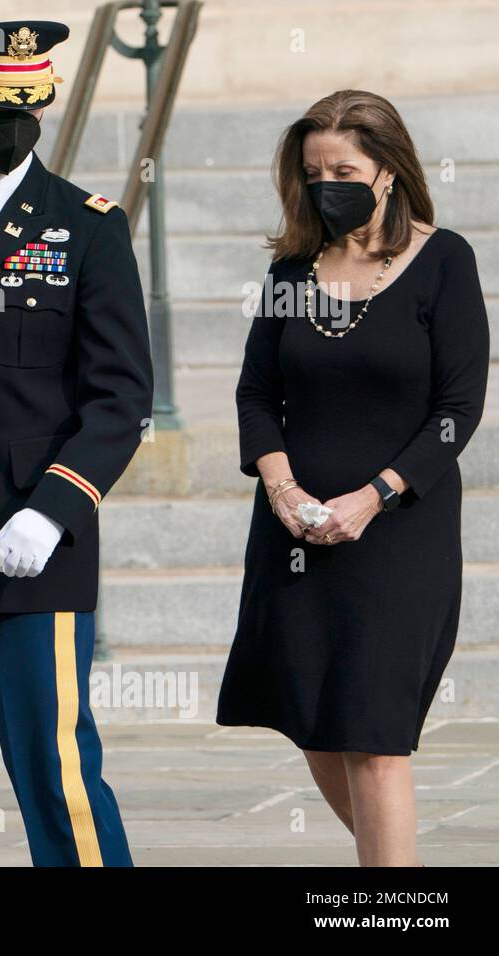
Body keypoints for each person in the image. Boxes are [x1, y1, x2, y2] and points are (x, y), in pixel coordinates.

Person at [219, 89, 489, 866]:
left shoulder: (446, 260)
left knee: (373, 735)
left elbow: (458, 408)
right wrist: (282, 490)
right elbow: (254, 395)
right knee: (315, 726)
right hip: (294, 534)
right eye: (312, 171)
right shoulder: (290, 269)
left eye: (344, 168)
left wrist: (376, 497)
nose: (326, 183)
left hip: (398, 535)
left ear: (390, 172)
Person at [0, 21, 153, 868]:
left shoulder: (88, 227)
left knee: (55, 768)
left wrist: (54, 510)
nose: (12, 121)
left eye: (30, 104)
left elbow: (121, 399)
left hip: (30, 543)